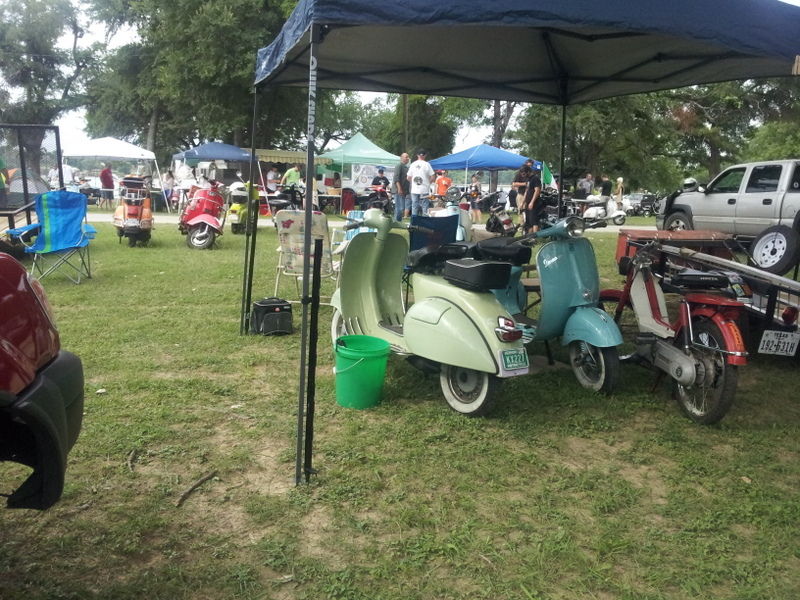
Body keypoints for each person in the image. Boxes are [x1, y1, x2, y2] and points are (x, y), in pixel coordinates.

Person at [407, 150, 435, 216]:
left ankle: (414, 223)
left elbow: (408, 177)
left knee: (414, 206)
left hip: (414, 189)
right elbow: (433, 177)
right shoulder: (427, 164)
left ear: (417, 155)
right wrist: (428, 183)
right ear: (425, 156)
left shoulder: (413, 164)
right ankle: (424, 223)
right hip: (424, 189)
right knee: (425, 207)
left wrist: (413, 183)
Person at [523, 165, 543, 234]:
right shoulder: (528, 179)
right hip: (528, 203)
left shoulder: (535, 178)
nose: (523, 175)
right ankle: (529, 236)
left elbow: (537, 190)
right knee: (528, 220)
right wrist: (523, 202)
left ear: (528, 171)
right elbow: (526, 191)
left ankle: (535, 238)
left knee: (534, 221)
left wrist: (532, 202)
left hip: (534, 203)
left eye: (524, 174)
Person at [393, 152, 411, 221]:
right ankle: (396, 222)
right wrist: (399, 189)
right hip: (398, 190)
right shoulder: (399, 165)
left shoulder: (406, 167)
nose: (408, 158)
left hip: (403, 191)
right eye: (406, 157)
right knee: (399, 208)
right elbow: (396, 178)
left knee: (401, 207)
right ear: (401, 158)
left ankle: (398, 221)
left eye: (408, 157)